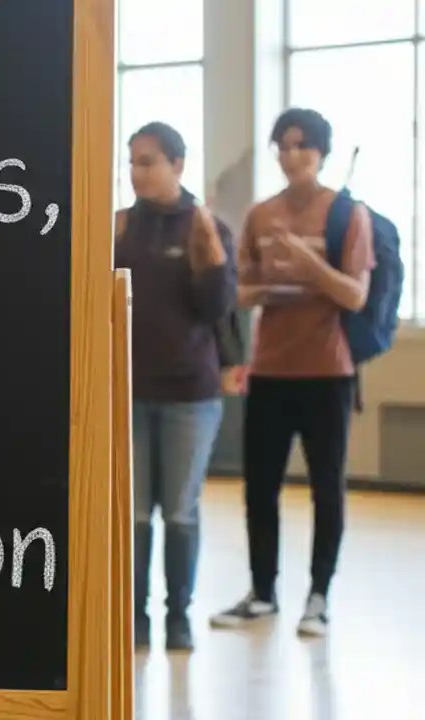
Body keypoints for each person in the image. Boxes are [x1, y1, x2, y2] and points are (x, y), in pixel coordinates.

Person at [210, 108, 373, 638]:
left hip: (328, 372)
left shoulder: (348, 215)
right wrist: (270, 286)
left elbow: (354, 293)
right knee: (259, 486)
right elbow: (235, 291)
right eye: (282, 145)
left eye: (301, 145)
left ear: (322, 152)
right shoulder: (261, 215)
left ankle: (319, 596)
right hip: (272, 372)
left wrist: (309, 267)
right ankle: (262, 592)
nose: (290, 155)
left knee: (327, 487)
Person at [114, 123, 236, 652]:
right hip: (130, 392)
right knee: (135, 512)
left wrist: (210, 259)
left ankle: (178, 616)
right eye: (133, 161)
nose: (138, 172)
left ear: (178, 165)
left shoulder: (206, 227)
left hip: (191, 395)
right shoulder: (119, 227)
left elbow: (216, 312)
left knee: (180, 510)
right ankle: (134, 617)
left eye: (149, 161)